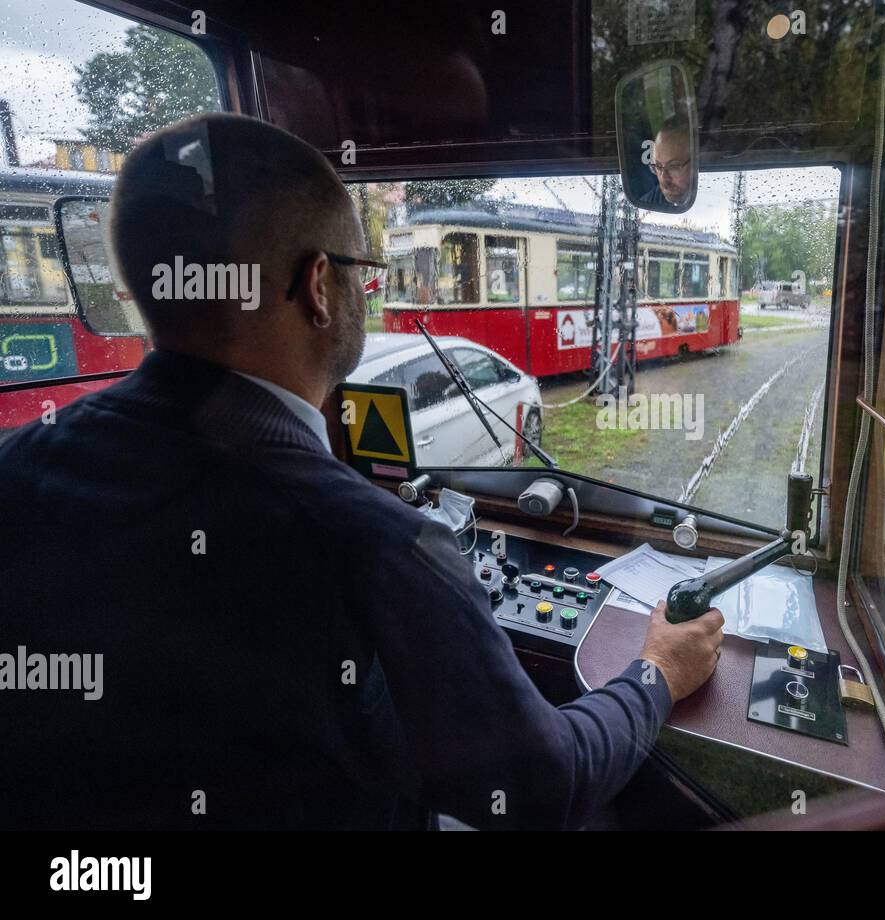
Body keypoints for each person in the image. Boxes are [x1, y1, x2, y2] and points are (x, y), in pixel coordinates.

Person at [0, 112, 724, 830]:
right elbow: (544, 787)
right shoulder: (381, 543)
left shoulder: (17, 466)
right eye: (364, 273)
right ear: (319, 285)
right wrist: (658, 669)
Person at [644, 113, 693, 208]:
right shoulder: (648, 204)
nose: (664, 178)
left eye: (673, 166)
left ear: (695, 163)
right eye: (657, 166)